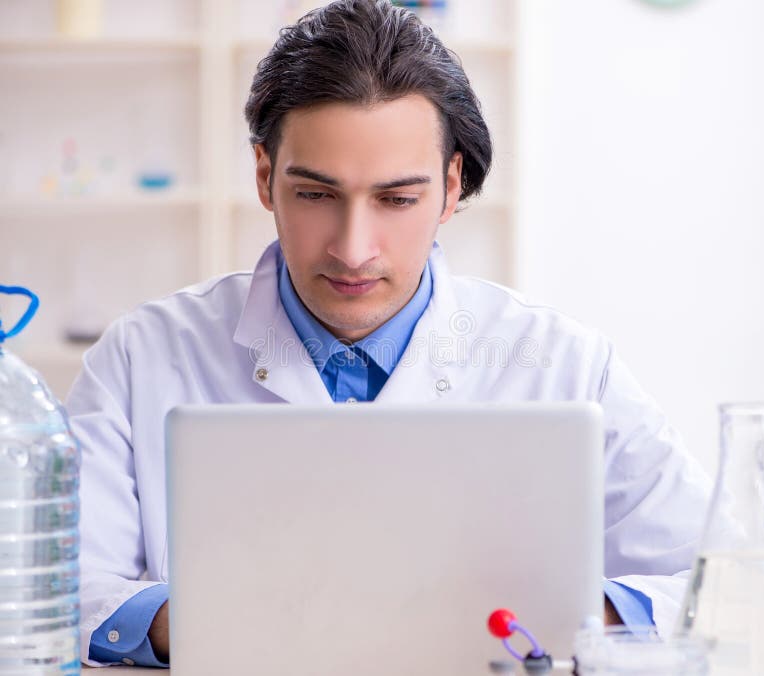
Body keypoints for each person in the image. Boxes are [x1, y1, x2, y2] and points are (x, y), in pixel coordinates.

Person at [68, 0, 711, 667]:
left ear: (450, 186)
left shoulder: (566, 365)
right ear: (265, 177)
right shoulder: (140, 357)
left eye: (397, 199)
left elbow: (718, 580)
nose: (352, 249)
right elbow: (54, 588)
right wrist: (227, 621)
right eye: (316, 194)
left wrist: (561, 614)